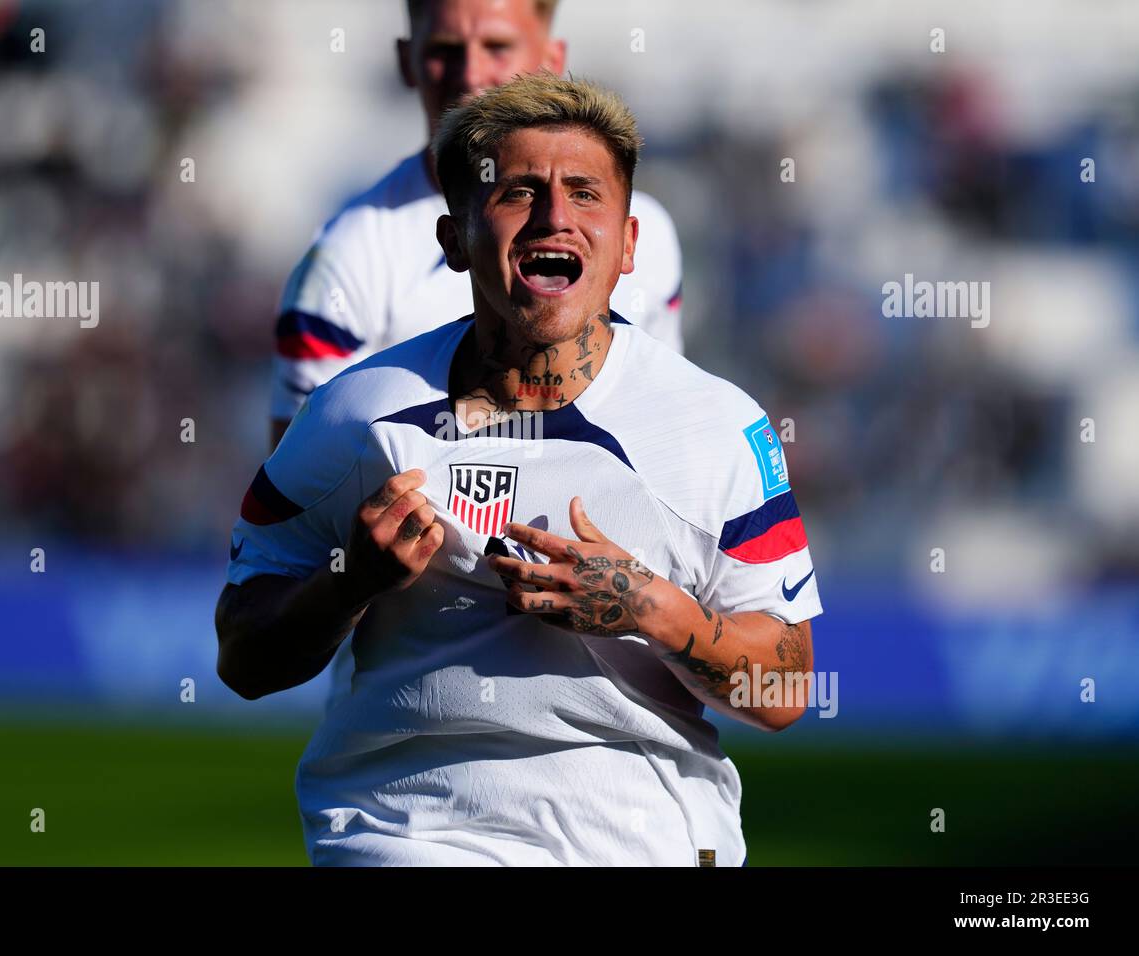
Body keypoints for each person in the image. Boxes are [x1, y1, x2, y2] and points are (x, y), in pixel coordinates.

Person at [216, 73, 822, 866]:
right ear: (454, 240)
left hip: (651, 838)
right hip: (413, 832)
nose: (555, 218)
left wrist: (650, 609)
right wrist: (349, 582)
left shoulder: (717, 429)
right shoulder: (353, 416)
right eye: (517, 193)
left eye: (584, 193)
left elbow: (783, 692)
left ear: (629, 243)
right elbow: (242, 659)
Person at [273, 0, 686, 709]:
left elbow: (666, 446)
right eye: (443, 50)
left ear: (552, 58)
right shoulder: (346, 263)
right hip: (427, 705)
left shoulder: (642, 239)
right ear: (407, 62)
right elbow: (300, 525)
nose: (469, 74)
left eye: (496, 44)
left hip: (622, 691)